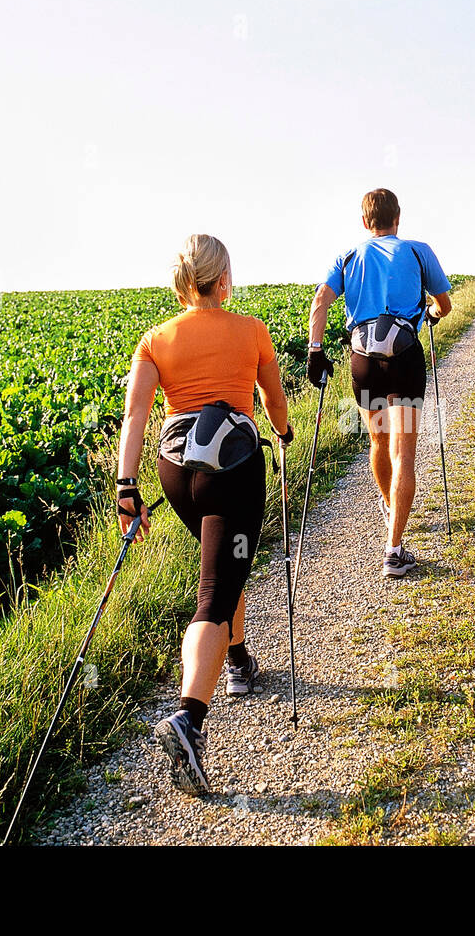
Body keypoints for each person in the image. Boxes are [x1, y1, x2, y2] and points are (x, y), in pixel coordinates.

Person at [115, 233, 292, 795]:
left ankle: (237, 658)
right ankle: (189, 717)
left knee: (223, 563)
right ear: (223, 281)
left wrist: (127, 487)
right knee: (215, 590)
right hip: (232, 467)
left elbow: (136, 413)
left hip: (176, 469)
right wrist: (284, 434)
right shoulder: (251, 330)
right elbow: (272, 399)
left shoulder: (155, 339)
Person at [306, 188, 453, 577]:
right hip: (404, 357)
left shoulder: (348, 257)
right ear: (397, 218)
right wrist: (431, 314)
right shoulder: (418, 251)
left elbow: (321, 300)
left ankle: (390, 506)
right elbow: (444, 304)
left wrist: (315, 351)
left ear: (365, 222)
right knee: (404, 451)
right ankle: (394, 548)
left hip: (363, 361)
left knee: (377, 441)